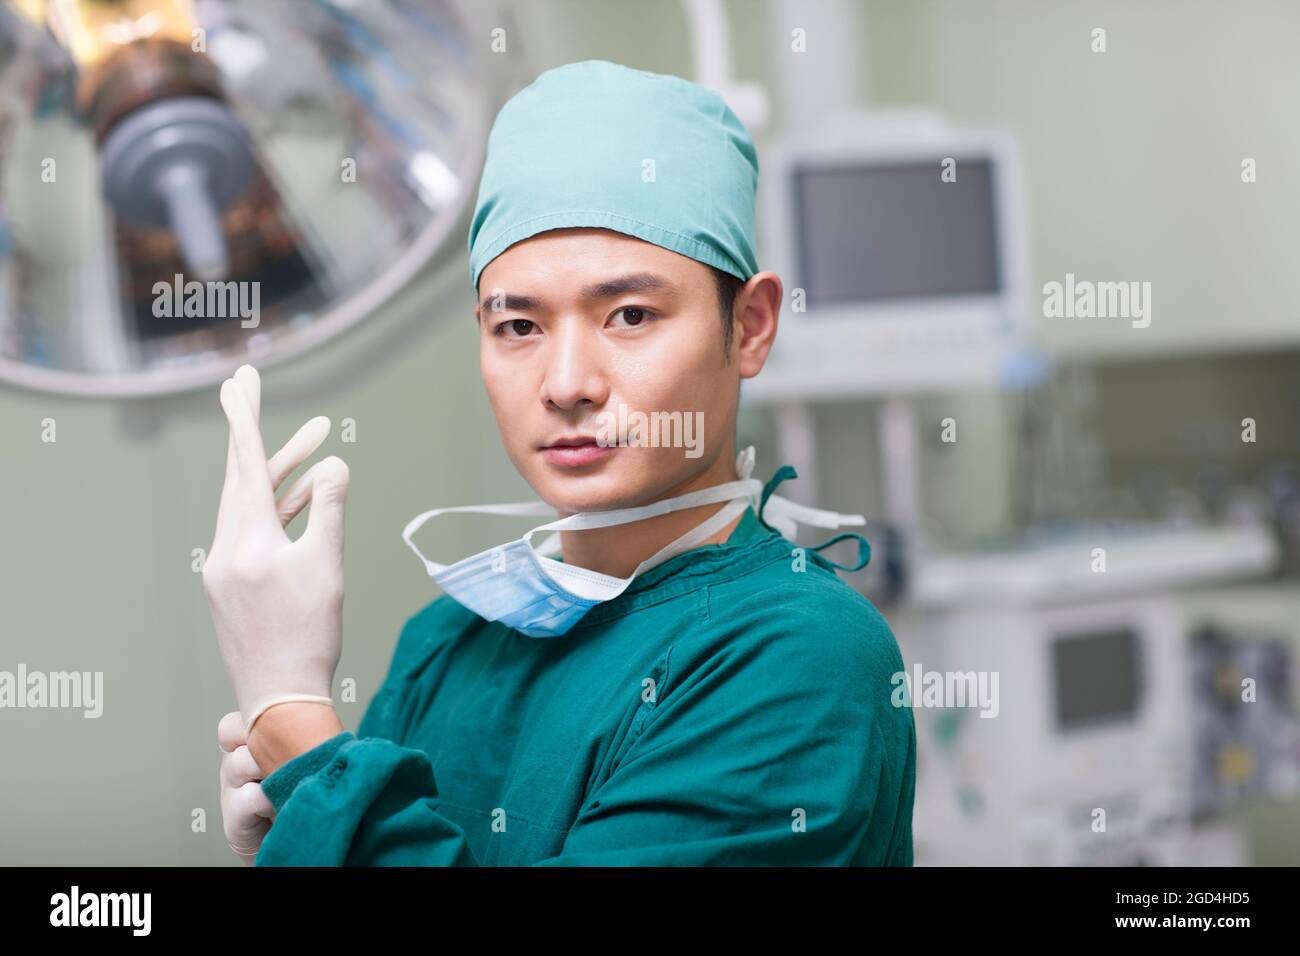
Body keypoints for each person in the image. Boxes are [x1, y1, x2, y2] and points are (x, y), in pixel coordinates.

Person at [208, 59, 916, 866]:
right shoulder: (448, 643)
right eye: (518, 327)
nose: (567, 384)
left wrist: (295, 724)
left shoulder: (799, 655)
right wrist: (306, 820)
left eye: (630, 314)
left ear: (749, 327)